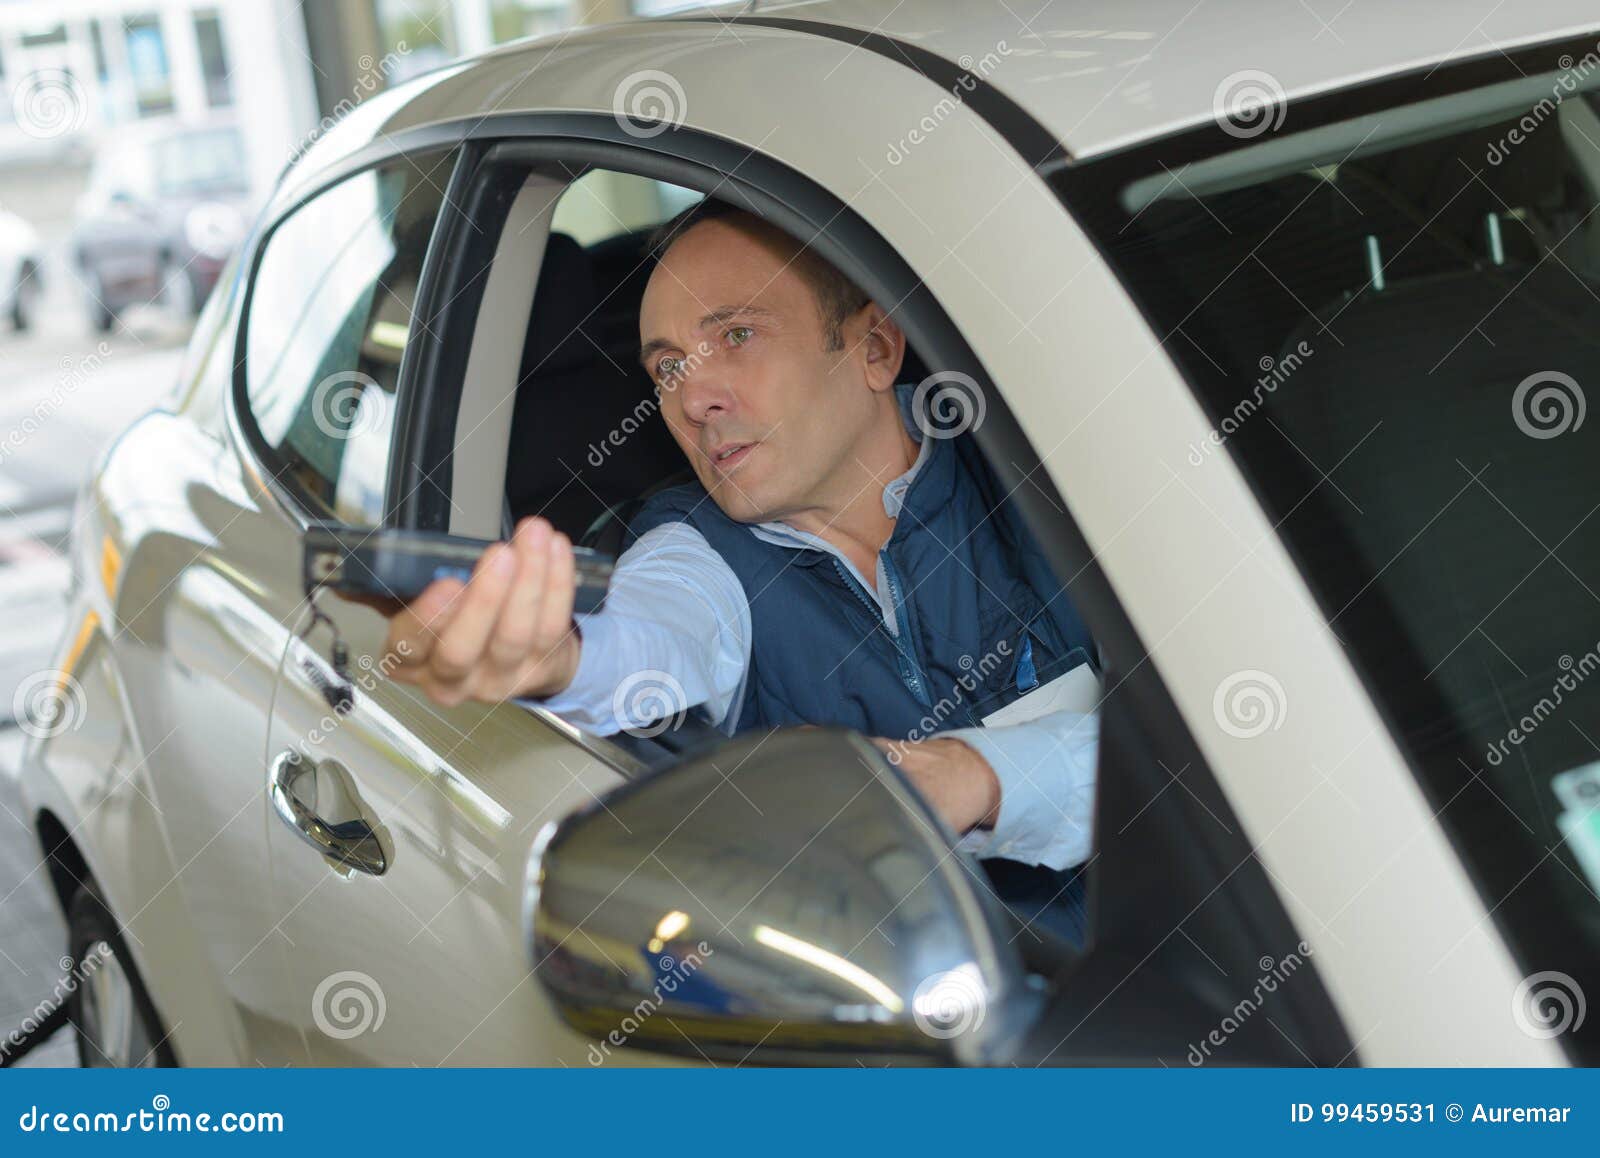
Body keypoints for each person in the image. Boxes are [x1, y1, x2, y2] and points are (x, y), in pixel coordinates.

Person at [380, 197, 1100, 878]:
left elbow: (1202, 739)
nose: (693, 399)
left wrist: (975, 777)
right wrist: (565, 660)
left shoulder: (1044, 476)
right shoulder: (692, 547)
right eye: (667, 368)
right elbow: (655, 629)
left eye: (737, 335)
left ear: (875, 348)